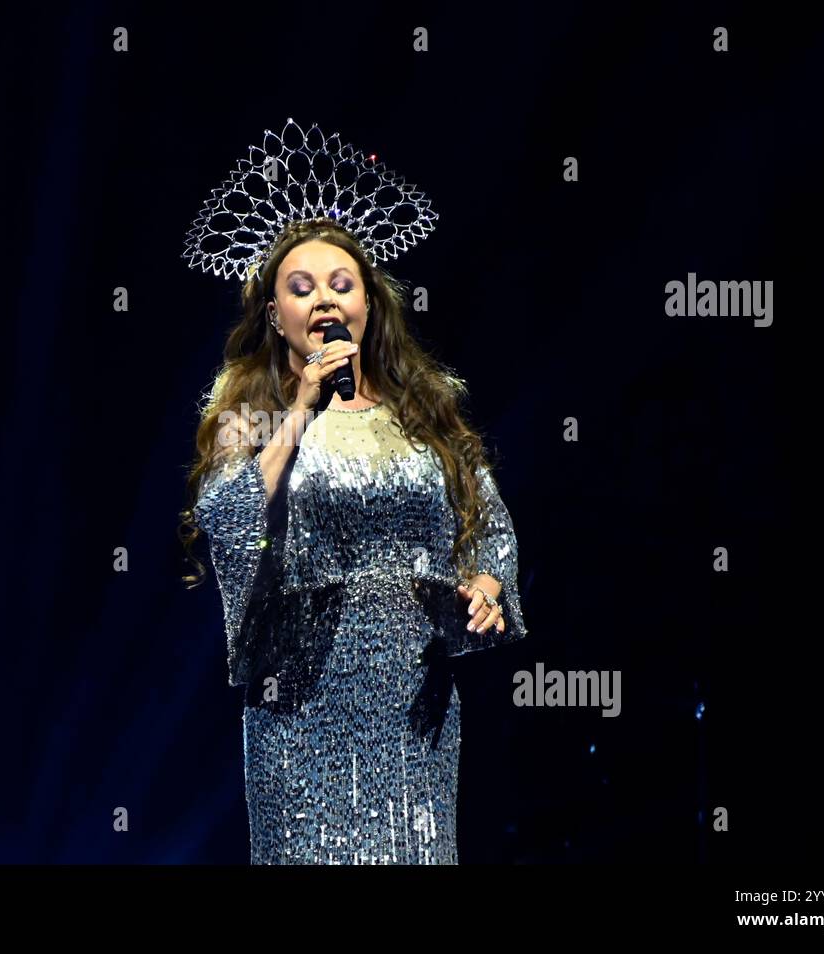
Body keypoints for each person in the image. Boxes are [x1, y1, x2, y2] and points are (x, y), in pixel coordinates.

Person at [177, 120, 528, 864]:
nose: (324, 300)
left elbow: (489, 527)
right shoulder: (252, 415)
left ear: (369, 305)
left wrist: (486, 587)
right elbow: (230, 520)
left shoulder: (425, 414)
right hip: (301, 708)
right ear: (275, 315)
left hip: (414, 708)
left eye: (342, 285)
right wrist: (300, 407)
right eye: (300, 288)